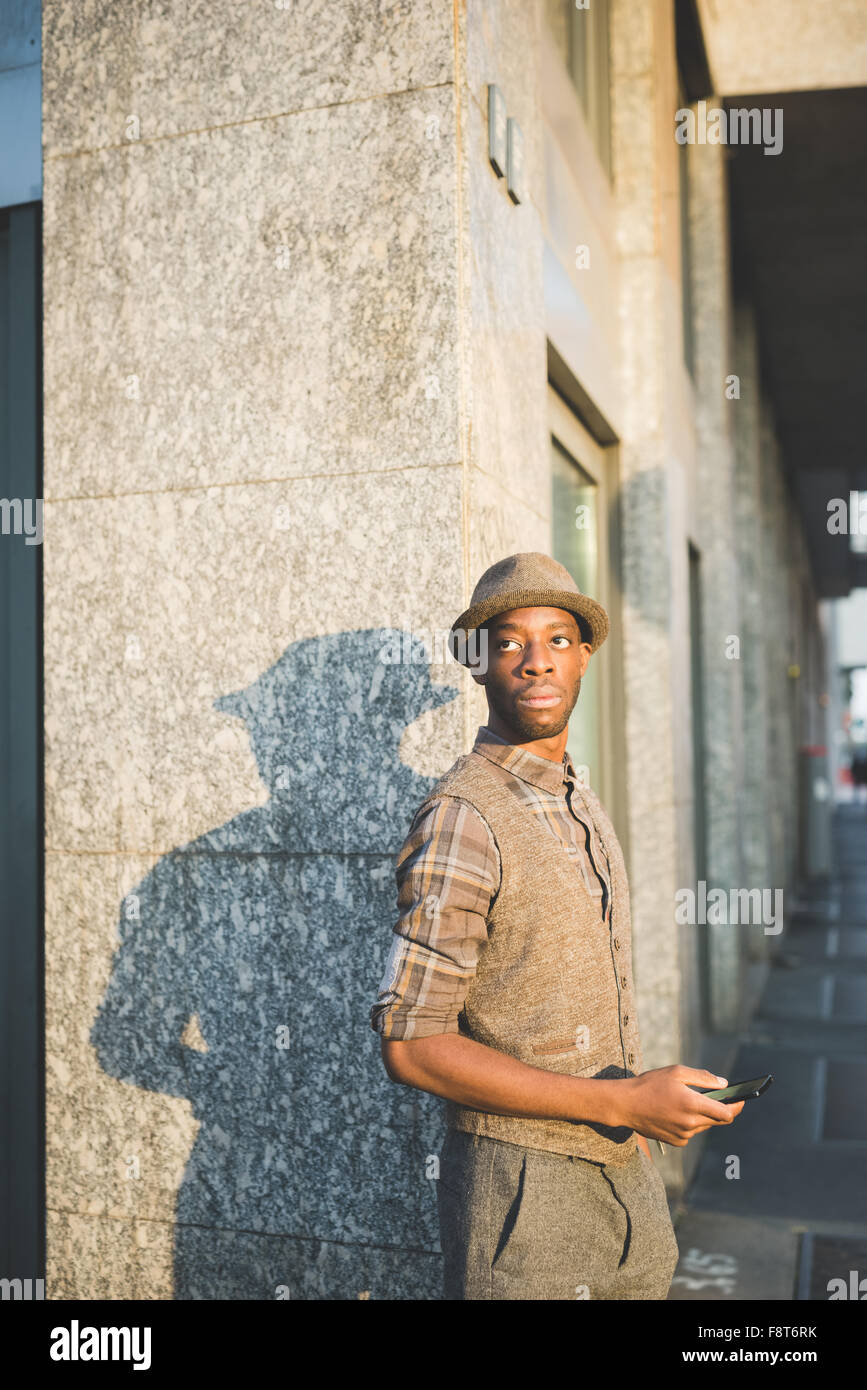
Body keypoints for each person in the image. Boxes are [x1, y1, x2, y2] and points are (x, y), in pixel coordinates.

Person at [370, 551, 744, 1300]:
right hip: (522, 1208)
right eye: (509, 642)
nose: (536, 662)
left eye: (558, 640)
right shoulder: (463, 819)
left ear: (584, 658)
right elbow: (411, 1046)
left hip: (622, 1178)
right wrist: (621, 1101)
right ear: (479, 667)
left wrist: (635, 1111)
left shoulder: (575, 794)